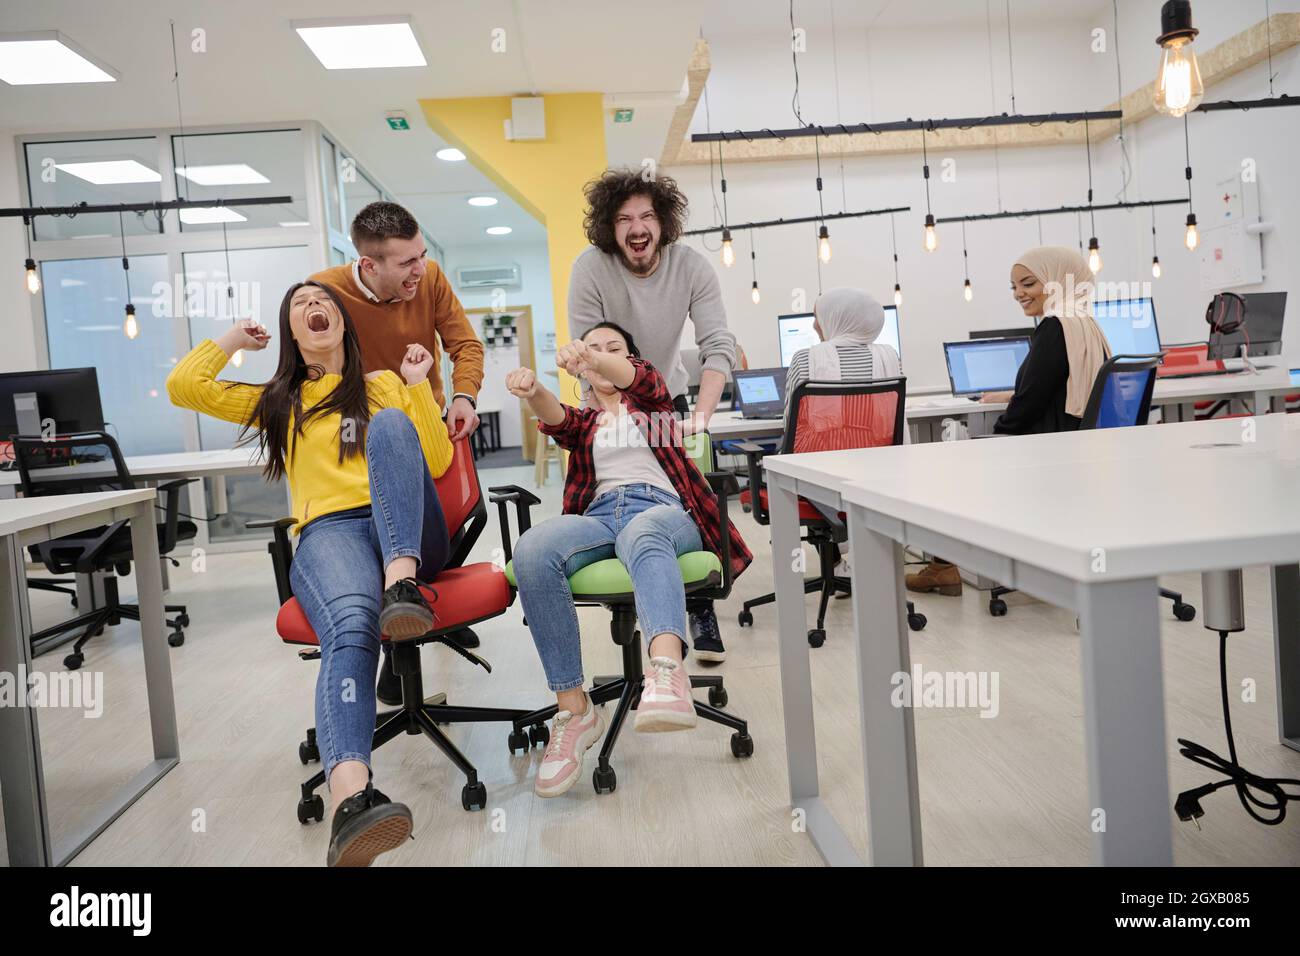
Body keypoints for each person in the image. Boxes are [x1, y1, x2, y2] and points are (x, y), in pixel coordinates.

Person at [167, 281, 454, 867]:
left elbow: (438, 459)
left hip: (407, 530)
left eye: (321, 303)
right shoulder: (282, 399)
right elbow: (184, 387)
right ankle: (353, 800)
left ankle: (401, 584)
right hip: (333, 534)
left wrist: (419, 388)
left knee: (394, 427)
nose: (311, 309)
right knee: (350, 629)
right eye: (298, 307)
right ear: (293, 336)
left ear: (343, 324)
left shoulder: (384, 386)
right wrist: (233, 341)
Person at [504, 322, 751, 797]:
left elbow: (638, 376)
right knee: (533, 550)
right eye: (591, 348)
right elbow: (557, 419)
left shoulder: (652, 402)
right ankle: (574, 711)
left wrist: (594, 358)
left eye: (612, 348)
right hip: (598, 516)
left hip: (662, 509)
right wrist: (534, 389)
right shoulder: (589, 421)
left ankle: (666, 670)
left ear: (629, 358)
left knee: (643, 532)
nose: (599, 354)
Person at [311, 201, 485, 704]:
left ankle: (412, 609)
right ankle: (400, 631)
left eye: (422, 256)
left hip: (424, 427)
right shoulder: (325, 294)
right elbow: (308, 369)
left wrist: (463, 395)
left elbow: (465, 346)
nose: (420, 270)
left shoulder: (429, 279)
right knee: (364, 523)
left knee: (439, 514)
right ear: (369, 265)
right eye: (406, 262)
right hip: (354, 433)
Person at [568, 168, 737, 662]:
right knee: (622, 502)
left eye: (646, 215)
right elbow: (586, 356)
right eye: (623, 219)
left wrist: (702, 416)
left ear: (663, 222)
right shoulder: (591, 268)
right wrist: (595, 419)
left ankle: (700, 605)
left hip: (669, 403)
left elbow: (718, 345)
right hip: (608, 404)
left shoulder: (691, 268)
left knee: (688, 499)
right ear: (610, 227)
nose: (636, 227)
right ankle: (643, 596)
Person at [907, 246, 1111, 596]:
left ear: (1058, 281)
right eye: (1013, 286)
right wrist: (1012, 397)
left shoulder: (1053, 328)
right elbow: (1056, 389)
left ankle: (944, 569)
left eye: (1028, 283)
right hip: (1077, 449)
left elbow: (1028, 409)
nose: (1019, 294)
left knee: (939, 467)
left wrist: (993, 438)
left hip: (1043, 453)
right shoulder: (1086, 324)